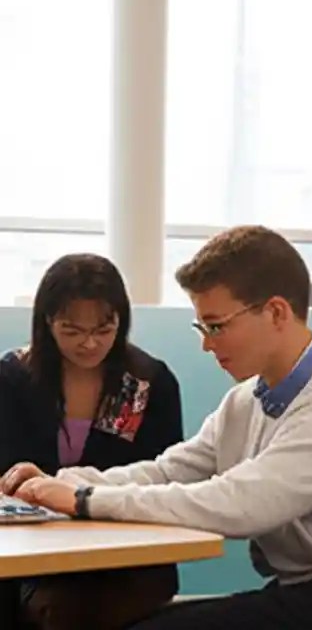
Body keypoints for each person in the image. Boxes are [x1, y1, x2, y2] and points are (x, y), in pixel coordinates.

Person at [4, 226, 312, 630]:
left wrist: (84, 500)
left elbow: (240, 502)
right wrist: (61, 483)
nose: (205, 343)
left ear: (276, 313)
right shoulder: (247, 400)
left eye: (216, 326)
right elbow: (167, 470)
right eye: (202, 326)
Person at [0, 254, 184, 630]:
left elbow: (168, 479)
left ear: (122, 321)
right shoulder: (13, 379)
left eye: (104, 329)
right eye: (72, 330)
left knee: (69, 611)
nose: (89, 343)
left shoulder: (146, 383)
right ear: (47, 323)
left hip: (124, 557)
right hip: (31, 553)